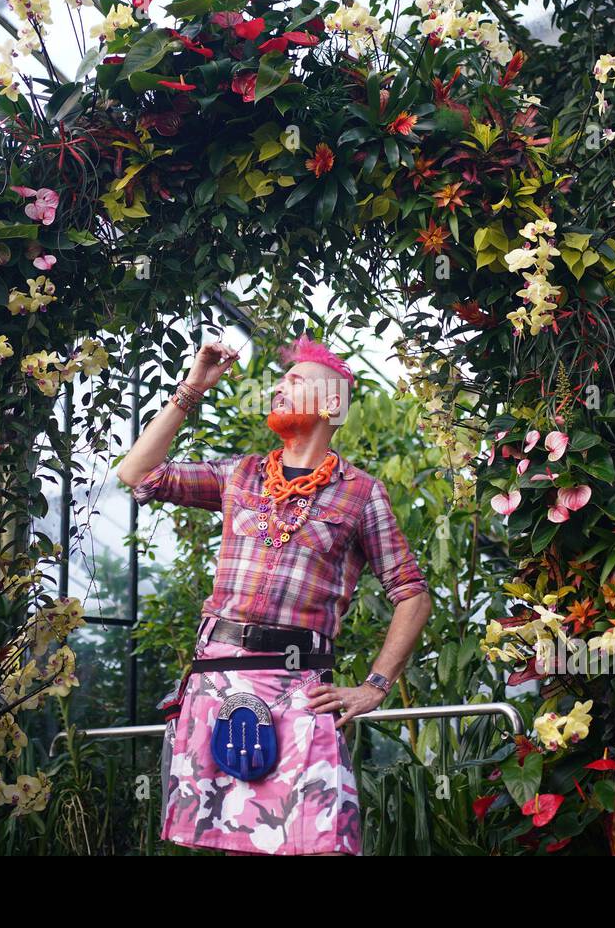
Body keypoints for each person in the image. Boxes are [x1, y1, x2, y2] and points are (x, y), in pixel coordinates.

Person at [116, 334, 432, 855]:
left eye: (296, 380)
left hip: (299, 685)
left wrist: (375, 686)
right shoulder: (238, 474)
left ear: (333, 405)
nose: (279, 387)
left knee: (314, 842)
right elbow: (137, 473)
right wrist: (192, 387)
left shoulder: (361, 492)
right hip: (216, 677)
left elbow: (411, 593)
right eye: (281, 380)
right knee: (213, 843)